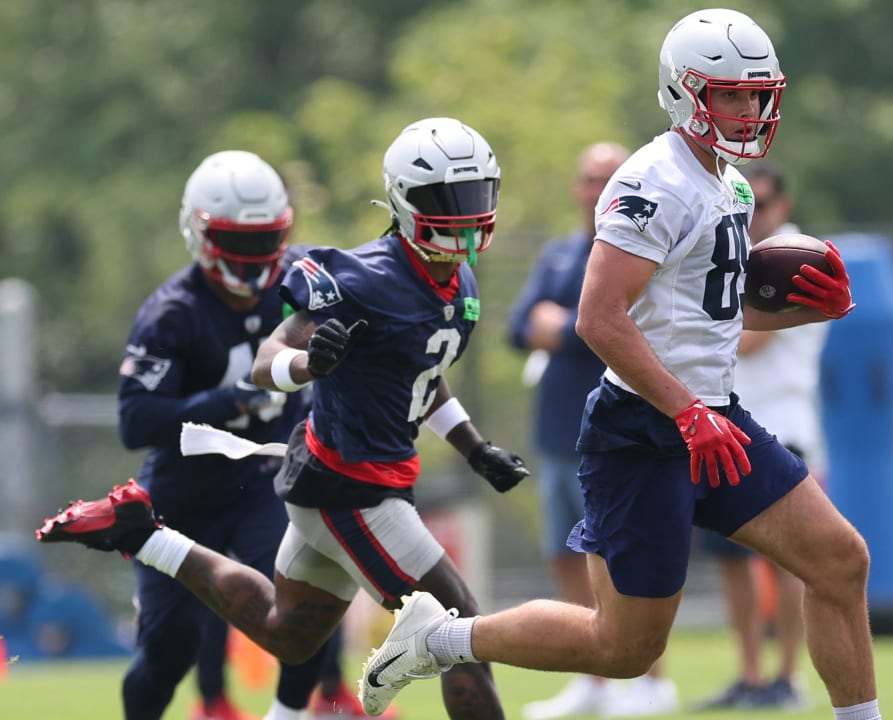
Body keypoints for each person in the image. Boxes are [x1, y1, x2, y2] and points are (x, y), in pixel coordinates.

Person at [358, 10, 881, 720]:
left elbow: (713, 315)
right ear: (683, 93)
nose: (750, 108)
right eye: (730, 93)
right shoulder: (655, 181)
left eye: (757, 92)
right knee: (624, 647)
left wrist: (806, 311)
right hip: (645, 430)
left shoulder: (730, 186)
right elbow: (597, 317)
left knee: (839, 561)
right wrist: (685, 411)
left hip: (712, 417)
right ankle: (443, 637)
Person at [38, 118, 529, 720]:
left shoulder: (459, 281)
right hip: (353, 489)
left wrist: (475, 448)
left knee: (289, 634)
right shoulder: (360, 278)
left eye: (475, 196)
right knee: (463, 637)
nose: (462, 215)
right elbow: (272, 359)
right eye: (442, 200)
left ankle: (144, 534)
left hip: (320, 477)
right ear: (402, 200)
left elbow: (419, 374)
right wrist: (306, 362)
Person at [111, 149, 370, 720]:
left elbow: (375, 309)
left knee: (303, 610)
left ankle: (289, 715)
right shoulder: (172, 314)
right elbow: (135, 421)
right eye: (238, 239)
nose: (254, 258)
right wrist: (223, 402)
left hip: (267, 483)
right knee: (167, 651)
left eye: (265, 239)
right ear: (199, 232)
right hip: (185, 494)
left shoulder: (306, 281)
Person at [507, 141, 678, 719]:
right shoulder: (558, 255)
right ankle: (593, 679)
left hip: (617, 433)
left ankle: (651, 678)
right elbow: (518, 326)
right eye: (588, 178)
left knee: (621, 555)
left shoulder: (641, 245)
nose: (596, 189)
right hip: (558, 432)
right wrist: (571, 328)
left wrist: (569, 327)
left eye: (608, 178)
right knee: (565, 553)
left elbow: (620, 325)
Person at [691, 162, 824, 711]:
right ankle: (750, 673)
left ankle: (788, 677)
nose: (754, 214)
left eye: (763, 203)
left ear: (783, 207)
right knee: (730, 559)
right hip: (730, 423)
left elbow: (745, 342)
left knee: (788, 561)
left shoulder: (792, 256)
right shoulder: (738, 258)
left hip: (782, 424)